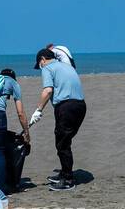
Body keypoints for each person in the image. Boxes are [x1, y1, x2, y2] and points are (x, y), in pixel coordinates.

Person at [31, 46, 87, 191]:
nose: (40, 67)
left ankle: (68, 180)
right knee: (65, 140)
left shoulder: (48, 68)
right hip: (80, 106)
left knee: (62, 143)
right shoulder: (67, 66)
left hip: (66, 107)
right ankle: (64, 173)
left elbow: (48, 90)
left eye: (40, 64)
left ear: (43, 59)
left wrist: (38, 110)